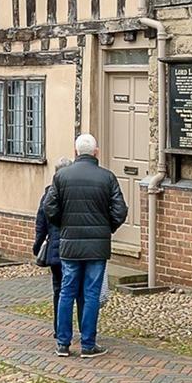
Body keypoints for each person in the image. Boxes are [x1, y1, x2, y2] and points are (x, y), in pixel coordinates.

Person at [44, 133, 127, 358]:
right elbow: (120, 210)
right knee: (91, 294)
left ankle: (63, 343)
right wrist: (106, 227)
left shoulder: (61, 177)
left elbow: (49, 207)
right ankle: (88, 344)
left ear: (75, 152)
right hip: (97, 247)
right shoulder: (107, 178)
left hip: (70, 243)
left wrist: (63, 224)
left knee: (66, 292)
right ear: (96, 152)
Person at [32, 165, 83, 337]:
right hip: (75, 249)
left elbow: (41, 224)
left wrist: (37, 247)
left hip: (56, 250)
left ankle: (59, 330)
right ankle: (84, 330)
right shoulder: (76, 195)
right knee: (80, 292)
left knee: (59, 291)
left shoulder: (48, 195)